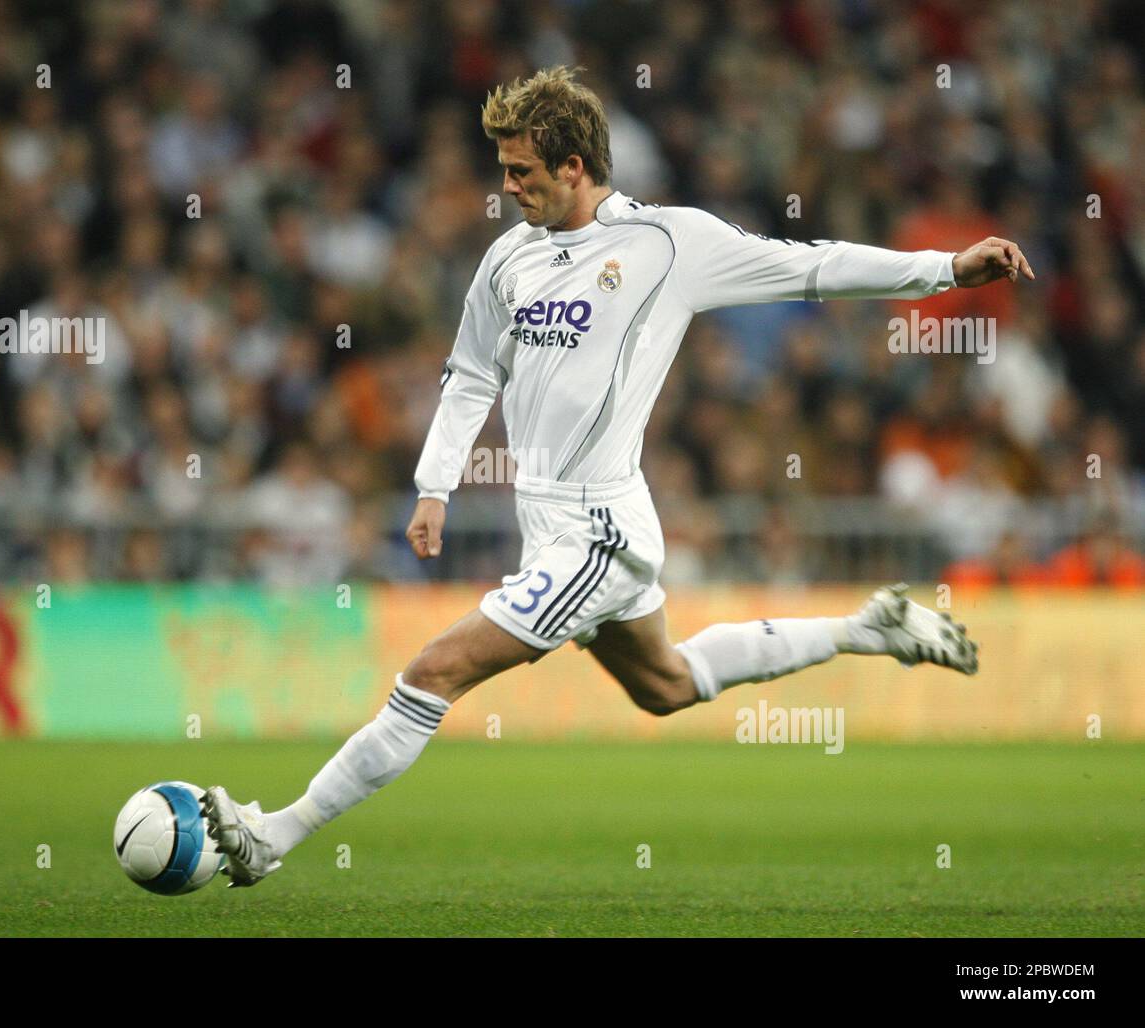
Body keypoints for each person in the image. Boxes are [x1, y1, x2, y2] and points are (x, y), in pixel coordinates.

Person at [204, 66, 1032, 887]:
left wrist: (946, 271)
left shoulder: (669, 245)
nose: (507, 187)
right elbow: (468, 374)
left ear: (573, 167)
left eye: (521, 171)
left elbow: (811, 265)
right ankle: (868, 630)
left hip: (600, 532)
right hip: (555, 529)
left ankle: (275, 834)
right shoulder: (508, 259)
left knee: (433, 672)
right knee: (668, 685)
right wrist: (434, 486)